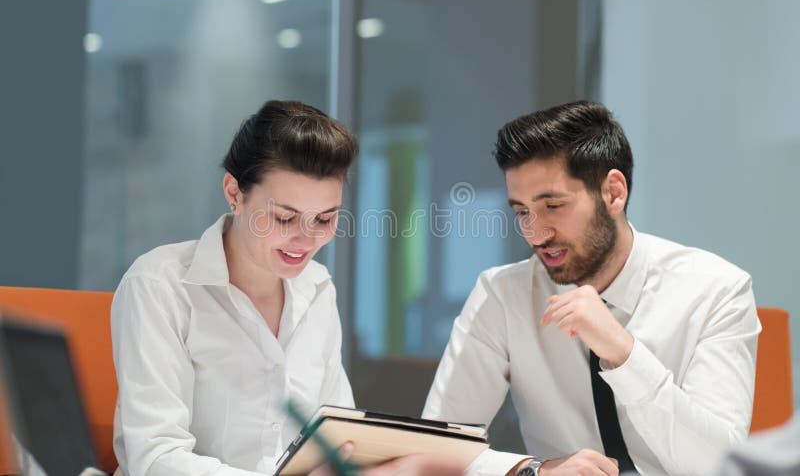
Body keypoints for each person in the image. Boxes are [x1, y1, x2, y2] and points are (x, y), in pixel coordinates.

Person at [111, 100, 463, 476]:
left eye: (325, 219)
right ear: (234, 191)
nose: (305, 239)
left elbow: (337, 434)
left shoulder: (317, 288)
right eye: (284, 217)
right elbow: (155, 457)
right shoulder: (159, 285)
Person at [423, 101, 761, 476]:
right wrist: (534, 470)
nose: (536, 233)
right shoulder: (503, 296)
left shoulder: (715, 290)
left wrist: (625, 355)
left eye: (553, 205)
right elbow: (437, 449)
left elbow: (719, 466)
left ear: (614, 193)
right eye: (522, 211)